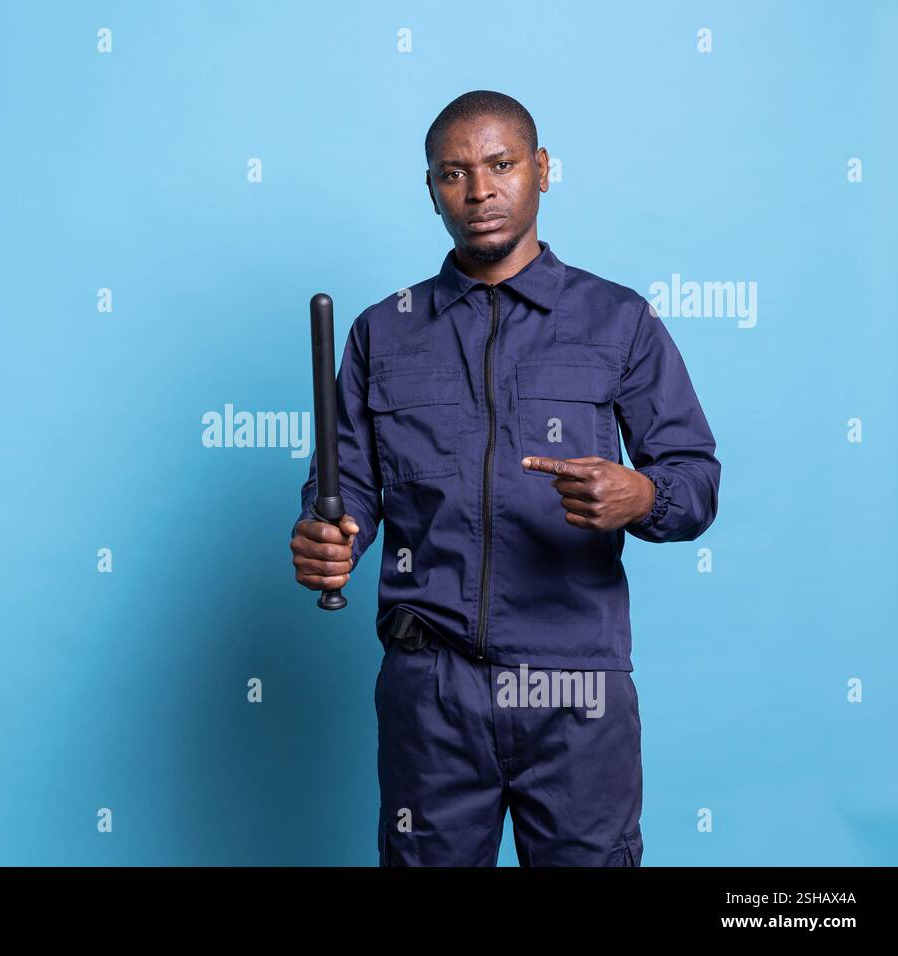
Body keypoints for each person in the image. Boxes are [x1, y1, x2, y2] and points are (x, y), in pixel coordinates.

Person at [289, 90, 721, 866]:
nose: (480, 191)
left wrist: (642, 494)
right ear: (431, 190)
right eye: (453, 173)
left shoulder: (618, 320)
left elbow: (694, 480)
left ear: (542, 170)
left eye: (501, 165)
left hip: (575, 690)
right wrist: (328, 537)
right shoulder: (382, 330)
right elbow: (345, 487)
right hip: (432, 693)